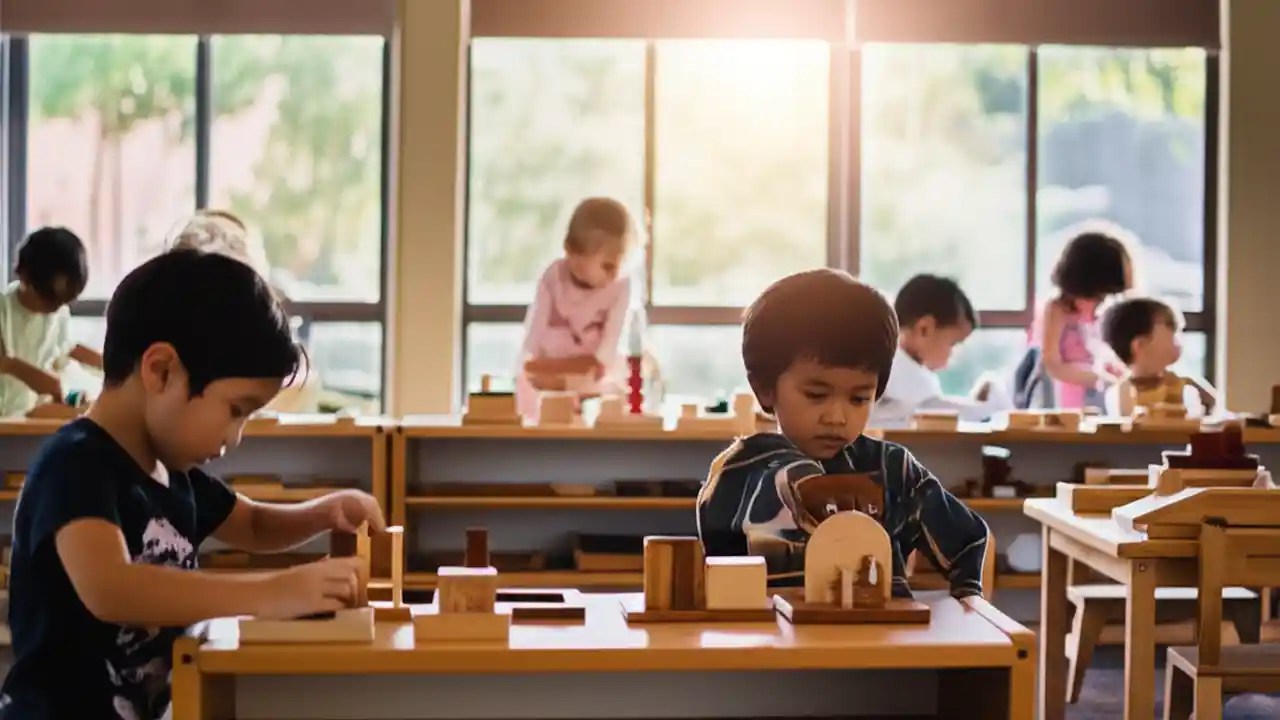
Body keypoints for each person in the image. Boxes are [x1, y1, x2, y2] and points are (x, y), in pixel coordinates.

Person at [1, 249, 386, 719]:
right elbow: (112, 589)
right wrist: (273, 593)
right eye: (235, 409)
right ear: (160, 370)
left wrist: (327, 511)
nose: (235, 437)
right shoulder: (73, 463)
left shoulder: (173, 474)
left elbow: (257, 525)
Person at [696, 269, 989, 599]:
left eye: (859, 398)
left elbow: (969, 539)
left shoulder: (894, 471)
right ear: (764, 388)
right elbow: (765, 484)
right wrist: (805, 485)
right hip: (769, 648)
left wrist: (968, 601)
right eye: (816, 395)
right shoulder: (740, 471)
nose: (837, 417)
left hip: (876, 647)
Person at [516, 197, 640, 418]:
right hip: (547, 388)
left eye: (620, 266)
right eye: (608, 266)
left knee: (619, 392)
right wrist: (549, 370)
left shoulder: (621, 285)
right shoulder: (553, 277)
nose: (614, 275)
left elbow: (605, 356)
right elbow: (532, 351)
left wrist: (557, 369)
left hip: (596, 385)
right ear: (573, 253)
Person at [870, 274, 1010, 426]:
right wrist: (992, 403)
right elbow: (935, 410)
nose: (952, 356)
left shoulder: (910, 374)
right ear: (925, 329)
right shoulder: (894, 370)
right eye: (953, 344)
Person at [1029, 223, 1135, 410]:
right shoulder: (1057, 310)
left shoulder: (1101, 313)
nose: (1101, 300)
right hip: (1063, 399)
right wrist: (1098, 378)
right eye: (1099, 293)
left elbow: (1104, 355)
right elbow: (1052, 364)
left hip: (1097, 397)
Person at [0, 227, 103, 416]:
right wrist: (28, 373)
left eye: (64, 300)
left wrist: (111, 365)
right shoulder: (3, 311)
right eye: (50, 300)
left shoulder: (58, 314)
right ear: (23, 276)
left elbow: (65, 350)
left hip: (28, 419)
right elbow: (5, 363)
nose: (56, 307)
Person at [1099, 295, 1217, 417]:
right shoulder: (1122, 392)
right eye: (1171, 333)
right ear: (1139, 345)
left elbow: (1215, 411)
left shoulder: (1186, 386)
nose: (1178, 340)